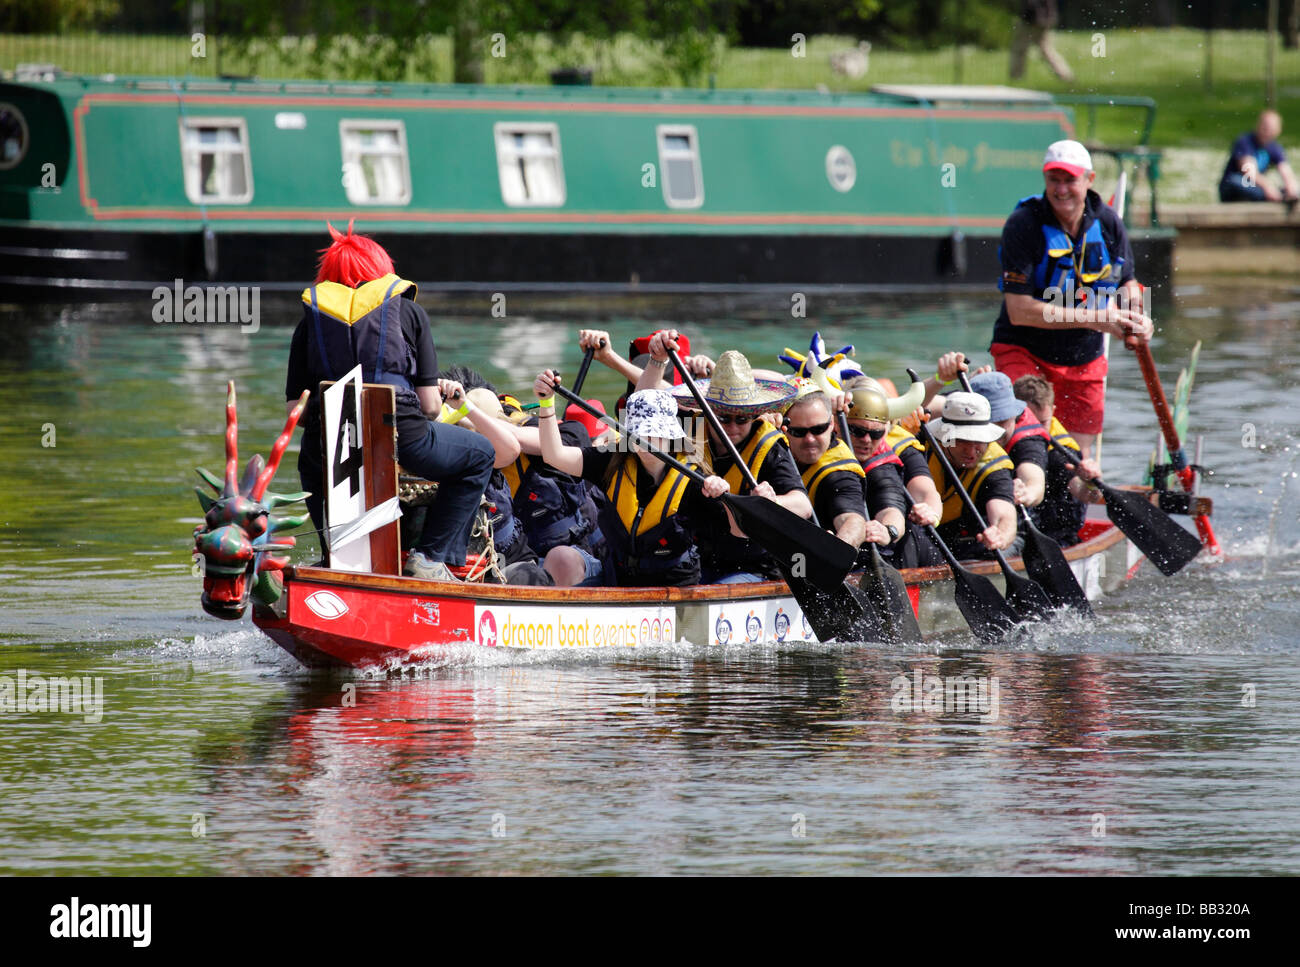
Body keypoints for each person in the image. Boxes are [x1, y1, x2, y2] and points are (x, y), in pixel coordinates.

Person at [284, 222, 493, 583]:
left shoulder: (308, 322)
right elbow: (429, 406)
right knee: (479, 455)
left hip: (330, 447)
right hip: (403, 438)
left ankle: (332, 556)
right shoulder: (410, 313)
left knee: (310, 460)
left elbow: (295, 413)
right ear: (380, 268)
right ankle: (430, 559)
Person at [990, 139, 1154, 464]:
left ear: (1089, 180)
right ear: (1044, 180)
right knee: (1027, 442)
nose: (1061, 189)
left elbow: (1128, 283)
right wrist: (1096, 319)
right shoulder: (1023, 225)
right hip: (1024, 351)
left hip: (1083, 358)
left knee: (1076, 461)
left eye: (1070, 180)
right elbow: (1019, 311)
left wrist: (1137, 318)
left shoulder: (1108, 223)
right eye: (1054, 180)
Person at [531, 372, 730, 587]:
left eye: (655, 434)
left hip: (675, 590)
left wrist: (722, 494)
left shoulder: (694, 480)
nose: (646, 442)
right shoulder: (611, 461)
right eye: (639, 435)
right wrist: (546, 403)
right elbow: (554, 455)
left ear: (671, 435)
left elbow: (738, 531)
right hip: (620, 581)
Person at [667, 347, 810, 583]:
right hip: (694, 559)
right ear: (708, 410)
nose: (732, 427)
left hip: (753, 566)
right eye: (723, 417)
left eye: (742, 418)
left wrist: (771, 502)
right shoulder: (690, 429)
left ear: (754, 415)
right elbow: (637, 415)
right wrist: (657, 360)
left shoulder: (770, 445)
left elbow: (802, 505)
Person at [921, 392, 1020, 561]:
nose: (972, 450)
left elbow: (1004, 513)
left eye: (979, 440)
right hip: (924, 533)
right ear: (946, 438)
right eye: (963, 440)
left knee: (994, 553)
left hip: (972, 539)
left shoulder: (995, 465)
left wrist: (1000, 534)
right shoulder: (920, 446)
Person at [1013, 374, 1103, 546]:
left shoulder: (1062, 453)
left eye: (1043, 422)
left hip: (1057, 539)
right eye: (1028, 422)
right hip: (1020, 534)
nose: (1036, 430)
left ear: (1053, 410)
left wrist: (1091, 483)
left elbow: (1086, 494)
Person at [781, 385, 869, 551]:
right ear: (784, 429)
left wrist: (837, 548)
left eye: (818, 429)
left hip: (814, 560)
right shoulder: (773, 447)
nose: (810, 440)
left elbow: (853, 520)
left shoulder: (840, 472)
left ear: (832, 425)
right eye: (799, 432)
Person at [840, 375, 910, 564]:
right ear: (839, 423)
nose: (867, 440)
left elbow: (891, 506)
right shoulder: (818, 440)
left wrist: (889, 530)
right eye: (857, 431)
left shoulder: (883, 466)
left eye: (876, 433)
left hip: (882, 553)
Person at [967, 370, 1048, 510]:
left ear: (1014, 414)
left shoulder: (1029, 441)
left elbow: (1034, 480)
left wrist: (1027, 493)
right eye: (990, 421)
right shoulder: (955, 413)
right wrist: (940, 381)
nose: (996, 431)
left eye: (1002, 421)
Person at [1219, 110, 1300, 204]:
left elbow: (1285, 170)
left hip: (1255, 187)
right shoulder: (1245, 142)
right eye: (1265, 127)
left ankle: (1282, 198)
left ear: (1278, 130)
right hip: (1236, 186)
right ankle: (1275, 198)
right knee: (1236, 181)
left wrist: (1291, 187)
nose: (1267, 131)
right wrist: (1268, 187)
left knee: (1294, 189)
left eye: (1271, 128)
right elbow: (1248, 172)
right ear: (1258, 125)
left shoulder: (1274, 147)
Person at [1009, 0, 1073, 83]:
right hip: (1040, 18)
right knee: (1046, 50)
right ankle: (1066, 76)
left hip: (1033, 19)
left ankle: (1016, 77)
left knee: (1020, 49)